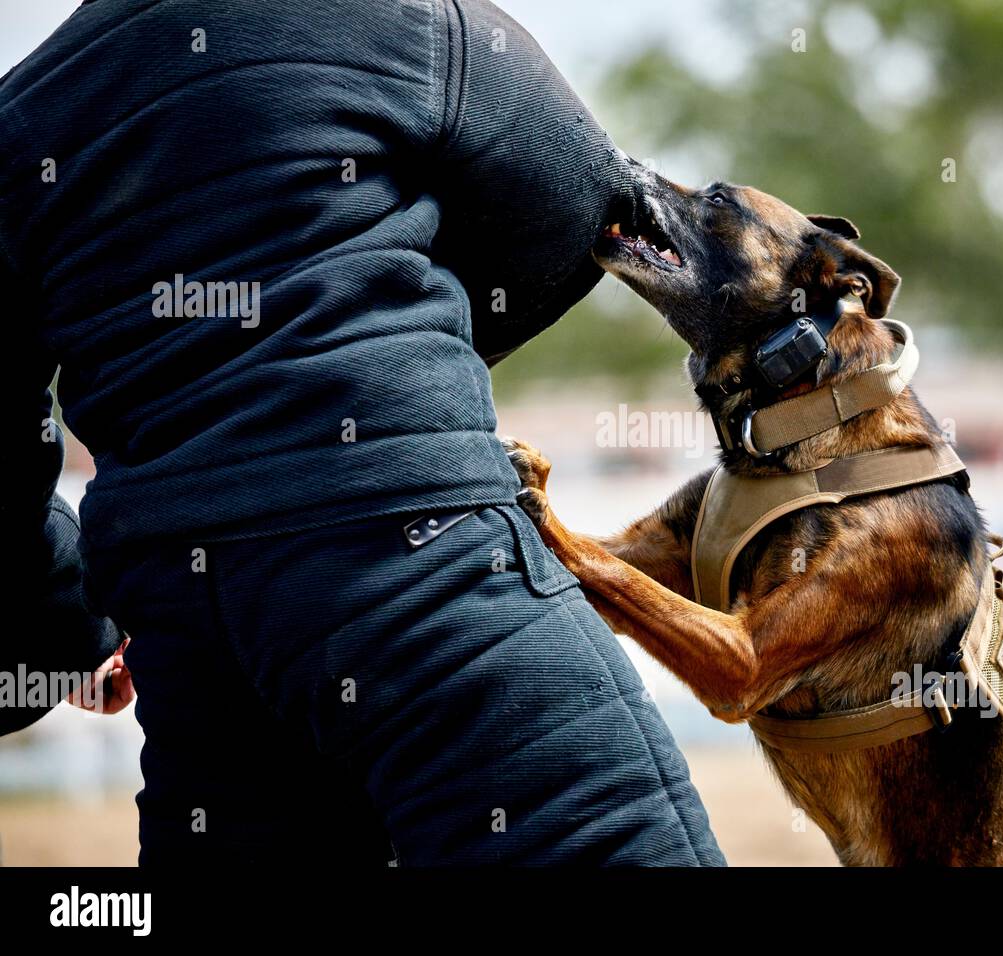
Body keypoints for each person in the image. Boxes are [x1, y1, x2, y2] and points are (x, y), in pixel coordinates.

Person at [0, 0, 724, 865]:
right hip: (422, 567)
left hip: (184, 617)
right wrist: (402, 368)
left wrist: (68, 622)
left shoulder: (23, 110)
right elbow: (576, 193)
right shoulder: (400, 16)